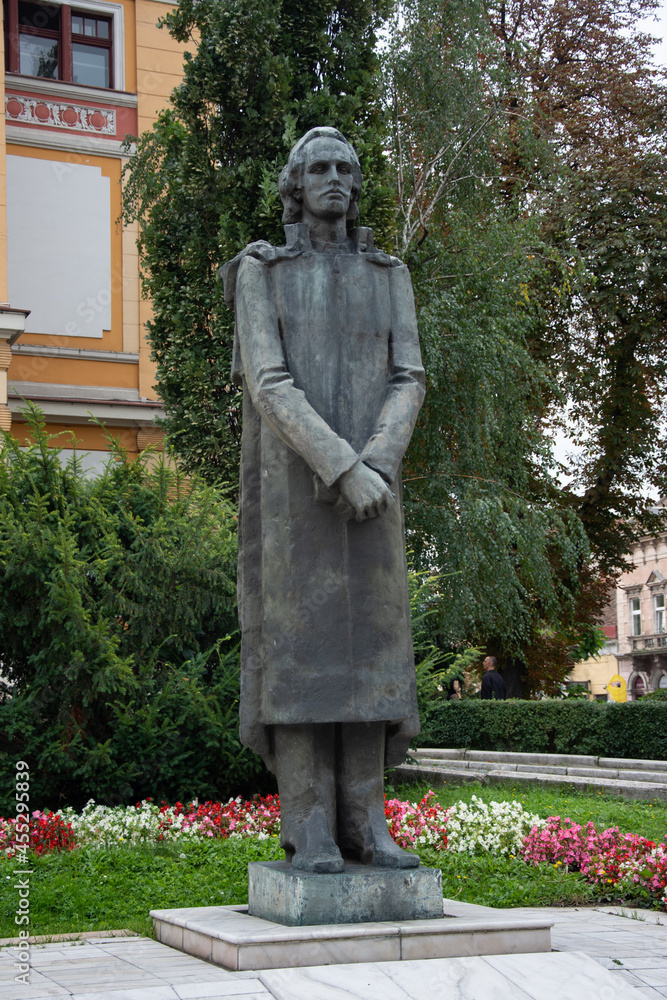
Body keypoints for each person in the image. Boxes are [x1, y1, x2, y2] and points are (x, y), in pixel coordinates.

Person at [221, 127, 425, 874]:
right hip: (296, 496)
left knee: (371, 650)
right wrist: (341, 467)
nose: (333, 179)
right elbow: (268, 382)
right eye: (318, 169)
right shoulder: (263, 272)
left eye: (345, 167)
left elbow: (410, 376)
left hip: (377, 488)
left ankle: (366, 821)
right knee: (302, 650)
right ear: (295, 186)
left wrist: (378, 461)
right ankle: (307, 823)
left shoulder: (387, 272)